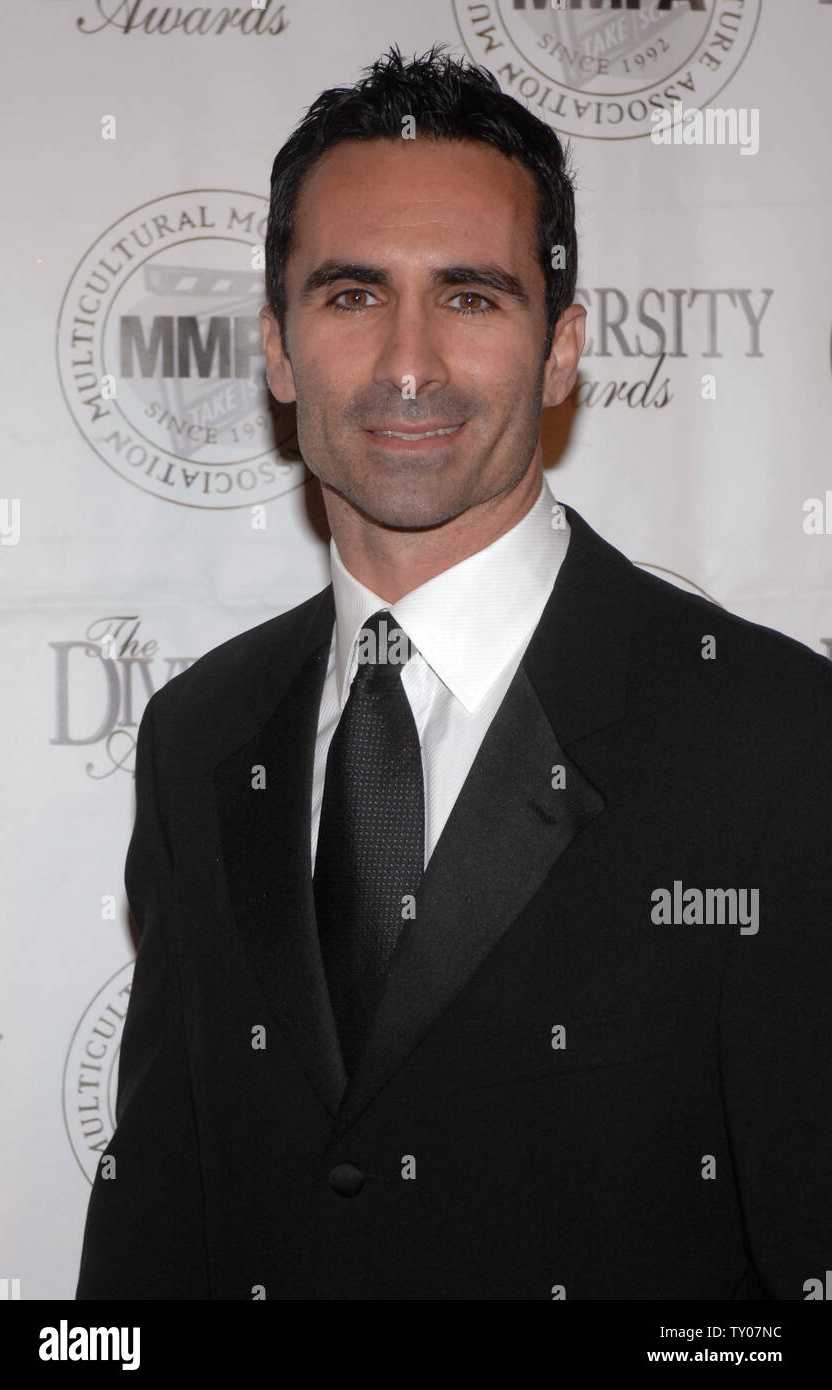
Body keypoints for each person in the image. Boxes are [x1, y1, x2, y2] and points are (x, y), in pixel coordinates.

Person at [76, 44, 832, 1301]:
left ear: (561, 350)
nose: (409, 363)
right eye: (352, 295)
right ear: (276, 348)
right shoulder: (197, 733)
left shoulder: (774, 739)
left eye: (471, 297)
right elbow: (156, 1219)